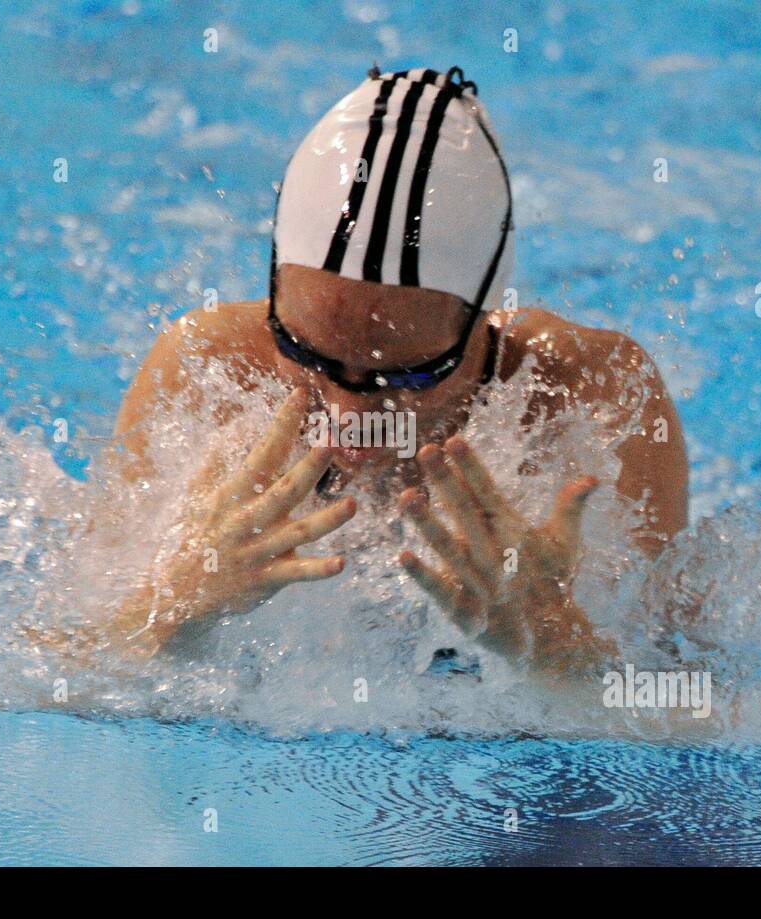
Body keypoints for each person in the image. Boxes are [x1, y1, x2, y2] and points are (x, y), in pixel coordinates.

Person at [103, 67, 687, 675]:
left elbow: (690, 703)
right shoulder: (205, 371)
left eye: (408, 377)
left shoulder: (587, 394)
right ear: (274, 289)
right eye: (306, 353)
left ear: (484, 315)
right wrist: (174, 608)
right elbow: (60, 662)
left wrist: (558, 646)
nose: (349, 419)